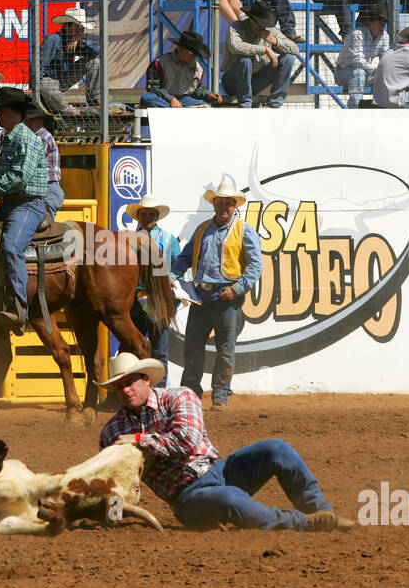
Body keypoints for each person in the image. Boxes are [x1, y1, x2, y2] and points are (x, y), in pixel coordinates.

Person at [97, 352, 356, 533]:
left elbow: (188, 441)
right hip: (187, 497)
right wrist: (112, 513)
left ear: (146, 381)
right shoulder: (112, 432)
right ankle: (303, 523)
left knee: (277, 448)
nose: (126, 390)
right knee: (231, 498)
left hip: (221, 470)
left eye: (130, 382)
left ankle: (324, 513)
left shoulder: (179, 397)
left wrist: (141, 439)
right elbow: (111, 479)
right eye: (119, 387)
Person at [167, 178, 262, 410]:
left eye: (228, 204)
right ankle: (191, 393)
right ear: (214, 204)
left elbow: (255, 266)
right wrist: (172, 275)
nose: (224, 207)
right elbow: (185, 258)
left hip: (227, 297)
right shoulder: (201, 230)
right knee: (193, 346)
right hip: (201, 297)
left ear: (234, 206)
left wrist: (236, 289)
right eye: (220, 203)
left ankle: (220, 393)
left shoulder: (244, 231)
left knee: (225, 348)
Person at [0, 87, 48, 334]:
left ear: (16, 113)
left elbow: (20, 178)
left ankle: (18, 308)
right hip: (10, 203)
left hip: (28, 204)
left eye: (2, 111)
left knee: (12, 247)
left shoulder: (26, 139)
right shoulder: (11, 136)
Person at [125, 194, 182, 382]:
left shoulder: (168, 239)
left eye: (150, 214)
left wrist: (172, 284)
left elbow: (178, 266)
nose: (147, 218)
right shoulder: (129, 240)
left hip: (159, 299)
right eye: (144, 214)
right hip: (134, 298)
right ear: (138, 217)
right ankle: (130, 387)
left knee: (160, 350)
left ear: (156, 217)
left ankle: (159, 390)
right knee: (130, 345)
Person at [220, 0, 299, 109]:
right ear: (250, 19)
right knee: (245, 59)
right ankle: (245, 104)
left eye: (264, 24)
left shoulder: (269, 30)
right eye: (259, 23)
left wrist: (275, 41)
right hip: (232, 82)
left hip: (256, 81)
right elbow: (236, 46)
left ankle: (274, 104)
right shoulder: (236, 27)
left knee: (288, 59)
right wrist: (265, 50)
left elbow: (295, 49)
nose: (262, 27)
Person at [39, 8, 101, 115]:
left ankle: (95, 101)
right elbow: (40, 65)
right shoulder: (53, 39)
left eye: (82, 28)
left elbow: (97, 51)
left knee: (94, 62)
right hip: (48, 80)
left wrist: (83, 41)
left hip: (63, 79)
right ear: (67, 26)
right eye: (77, 27)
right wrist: (36, 87)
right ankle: (74, 112)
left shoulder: (78, 42)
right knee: (49, 90)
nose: (80, 31)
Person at [140, 30, 221, 109]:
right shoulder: (160, 62)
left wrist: (208, 95)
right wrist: (171, 99)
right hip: (163, 99)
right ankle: (182, 111)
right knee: (146, 98)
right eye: (192, 53)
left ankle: (177, 111)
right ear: (181, 49)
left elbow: (195, 90)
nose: (194, 56)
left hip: (185, 100)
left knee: (207, 108)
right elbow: (153, 88)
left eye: (196, 54)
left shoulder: (198, 68)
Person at [334, 6, 389, 103]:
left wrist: (383, 70)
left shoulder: (384, 36)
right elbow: (357, 60)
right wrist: (376, 69)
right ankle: (355, 108)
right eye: (379, 23)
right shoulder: (357, 34)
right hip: (343, 72)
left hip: (366, 72)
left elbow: (386, 58)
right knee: (358, 72)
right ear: (370, 23)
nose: (382, 26)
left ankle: (380, 106)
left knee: (387, 75)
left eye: (384, 23)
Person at [23, 98, 64, 226]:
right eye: (27, 120)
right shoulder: (41, 136)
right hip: (47, 188)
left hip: (48, 188)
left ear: (40, 120)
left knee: (44, 226)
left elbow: (31, 160)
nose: (28, 123)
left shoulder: (41, 136)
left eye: (31, 120)